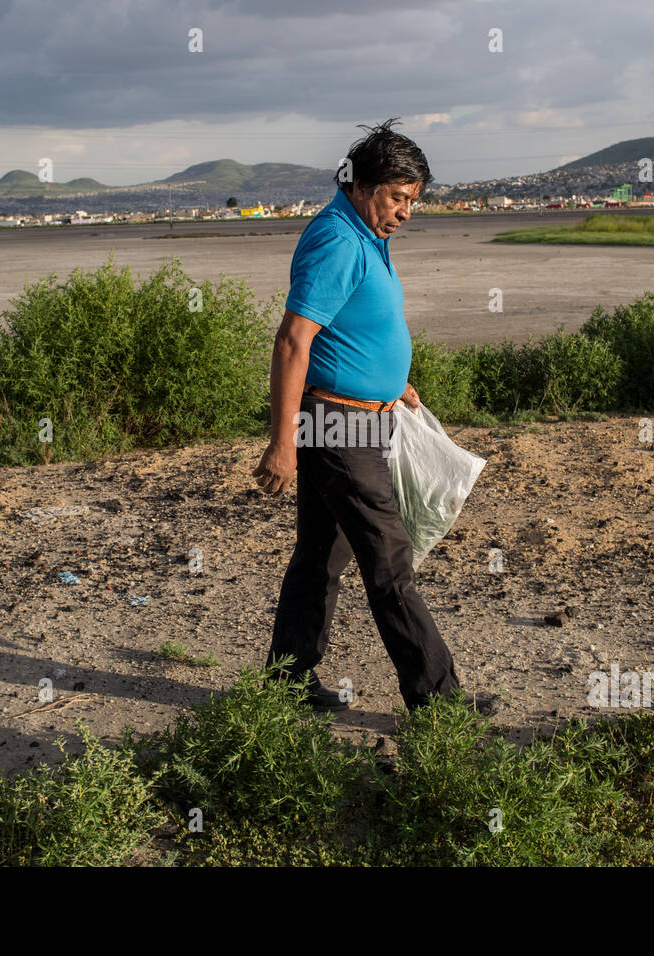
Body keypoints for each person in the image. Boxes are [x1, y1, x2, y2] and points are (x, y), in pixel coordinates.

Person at [251, 118, 495, 717]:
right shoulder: (338, 238)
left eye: (414, 199)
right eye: (398, 196)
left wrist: (392, 382)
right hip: (336, 425)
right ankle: (440, 706)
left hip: (358, 416)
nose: (407, 211)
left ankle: (285, 688)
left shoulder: (367, 235)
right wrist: (281, 441)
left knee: (320, 555)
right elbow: (292, 340)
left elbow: (347, 329)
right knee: (390, 564)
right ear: (362, 185)